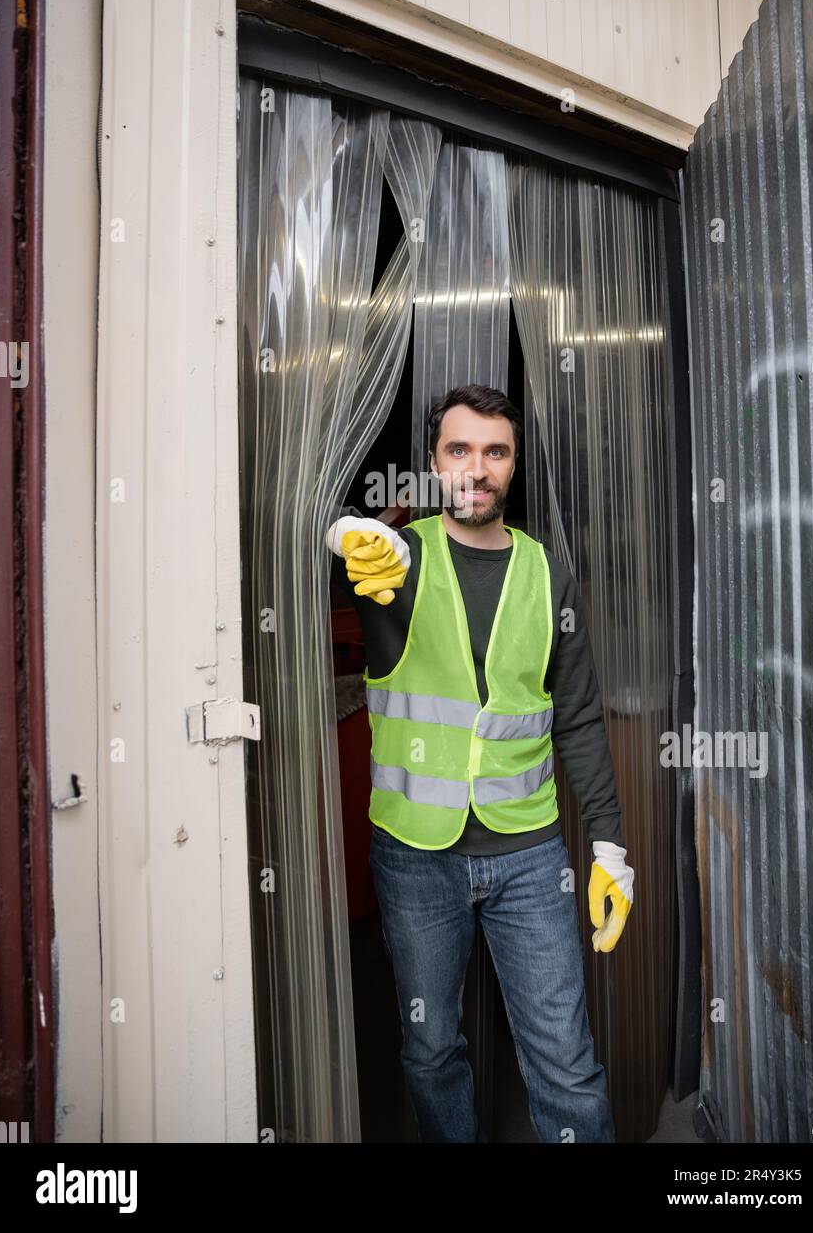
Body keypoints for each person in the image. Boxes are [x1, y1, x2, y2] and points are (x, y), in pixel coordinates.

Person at [327, 383, 633, 1143]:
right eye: (458, 449)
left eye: (495, 452)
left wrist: (608, 844)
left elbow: (581, 716)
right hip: (414, 857)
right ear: (434, 462)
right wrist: (341, 533)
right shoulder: (395, 560)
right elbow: (310, 528)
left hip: (529, 855)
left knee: (565, 1061)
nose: (477, 467)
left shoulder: (546, 574)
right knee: (432, 1052)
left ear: (513, 464)